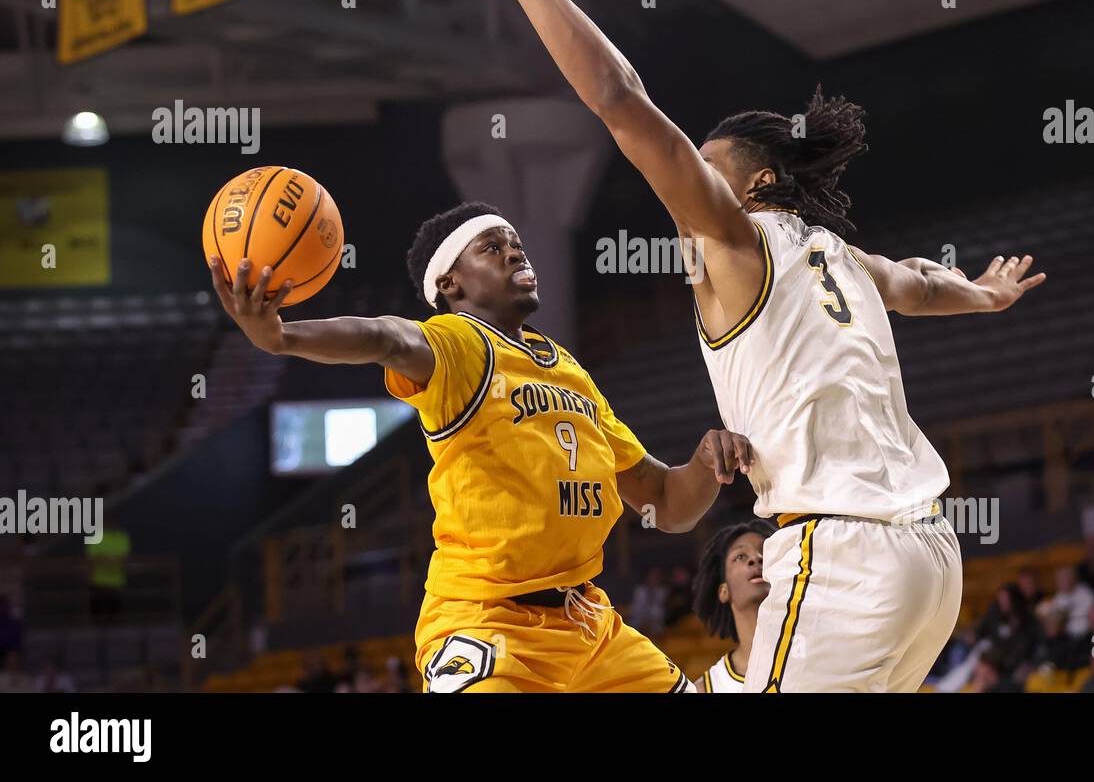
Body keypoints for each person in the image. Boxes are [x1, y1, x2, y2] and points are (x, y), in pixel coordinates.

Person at [427, 0, 1046, 693]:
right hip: (930, 559)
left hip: (842, 550)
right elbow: (920, 282)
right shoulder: (844, 259)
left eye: (706, 163)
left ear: (755, 182)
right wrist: (982, 294)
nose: (686, 181)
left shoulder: (734, 238)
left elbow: (619, 99)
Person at [209, 202, 752, 694]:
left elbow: (667, 502)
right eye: (491, 247)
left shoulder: (569, 371)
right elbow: (384, 337)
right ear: (450, 283)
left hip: (588, 626)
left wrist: (706, 462)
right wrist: (282, 338)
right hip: (487, 622)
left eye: (515, 241)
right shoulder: (459, 345)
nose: (515, 249)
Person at [690, 520, 775, 692]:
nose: (756, 558)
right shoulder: (706, 688)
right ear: (724, 591)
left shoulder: (820, 651)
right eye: (740, 556)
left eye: (765, 551)